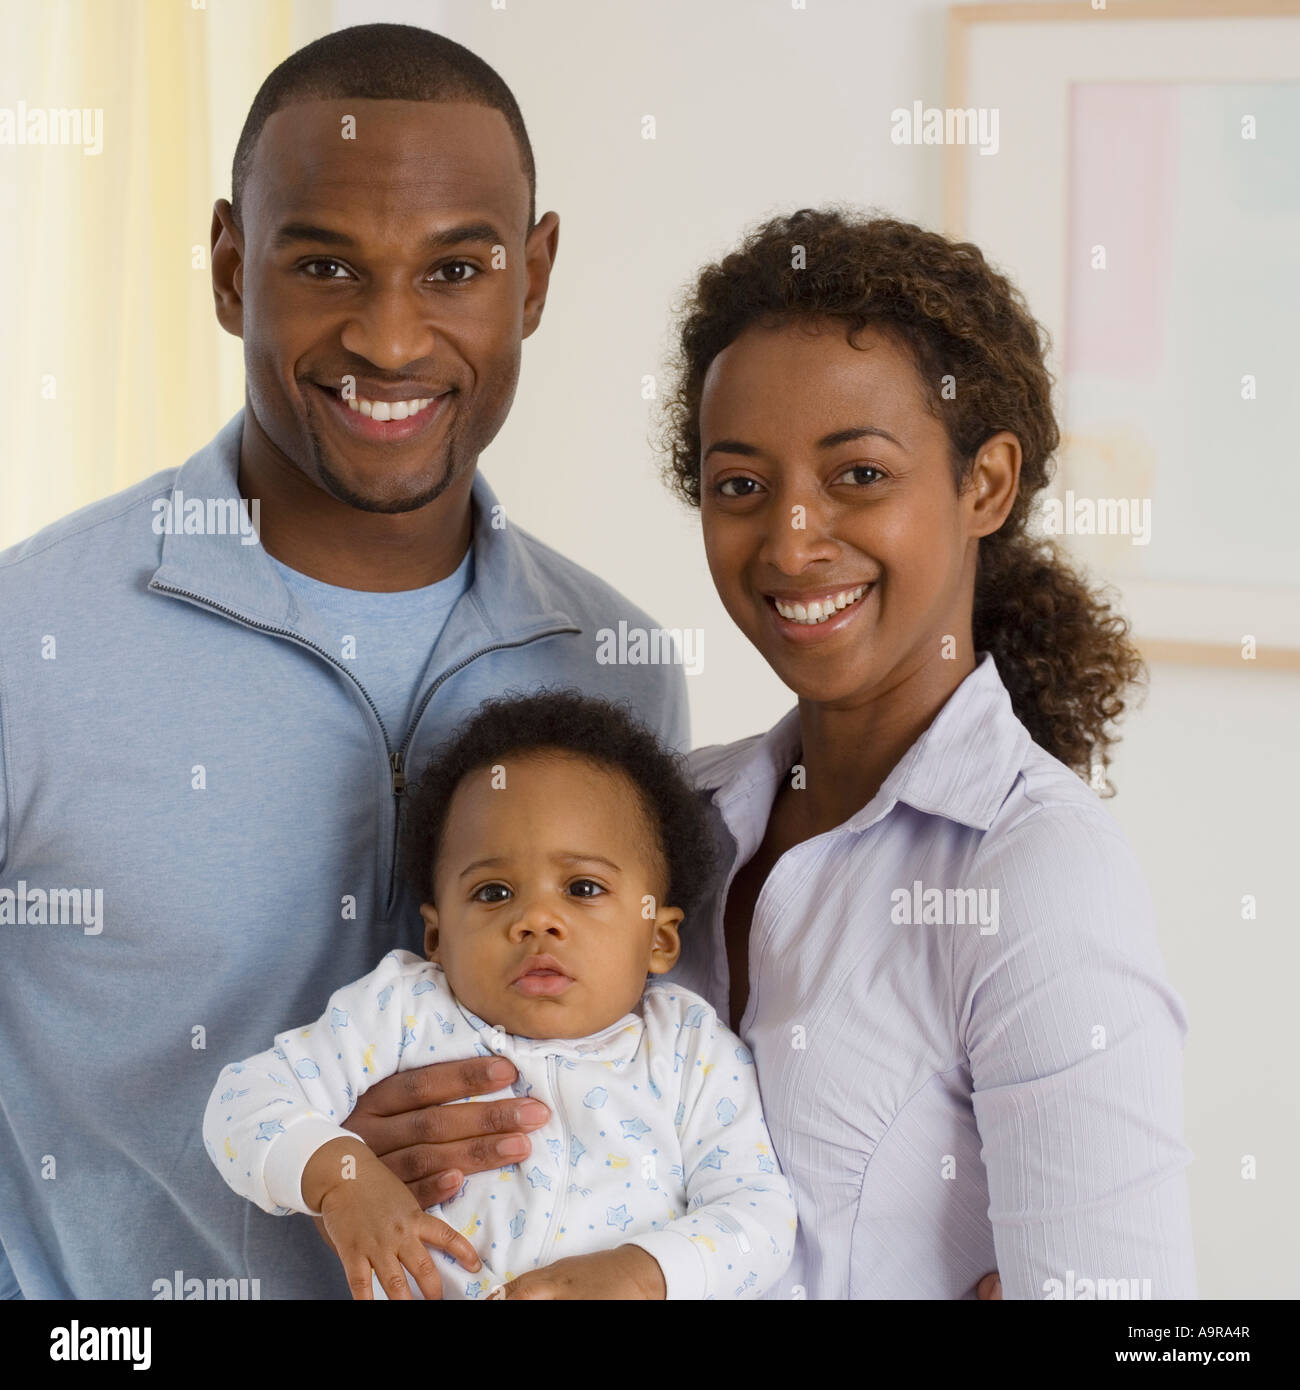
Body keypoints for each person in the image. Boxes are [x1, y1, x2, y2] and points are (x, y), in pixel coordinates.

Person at [0, 25, 687, 1299]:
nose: (389, 339)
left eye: (456, 269)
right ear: (228, 268)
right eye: (324, 264)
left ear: (532, 278)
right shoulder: (25, 642)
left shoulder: (621, 669)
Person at [655, 207, 1197, 1299]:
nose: (791, 539)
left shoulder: (1035, 873)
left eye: (857, 474)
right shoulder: (670, 820)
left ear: (983, 484)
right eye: (740, 484)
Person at [202, 691, 796, 1301]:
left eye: (583, 887)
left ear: (660, 938)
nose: (537, 919)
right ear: (437, 933)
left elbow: (761, 1215)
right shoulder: (400, 1012)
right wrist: (340, 1179)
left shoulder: (688, 1050)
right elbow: (241, 1102)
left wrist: (644, 1274)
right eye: (492, 893)